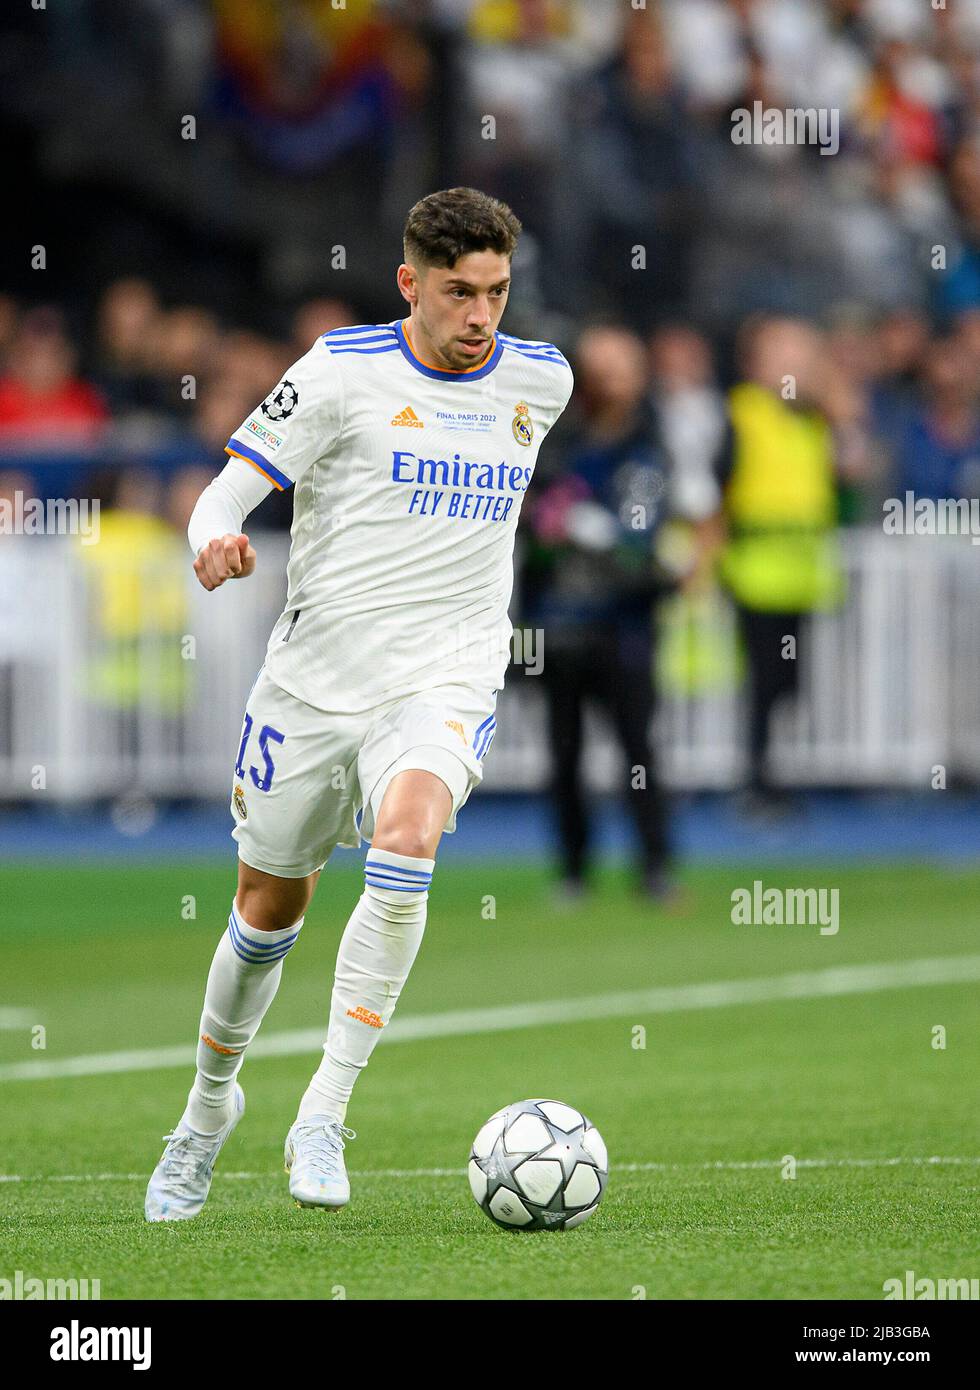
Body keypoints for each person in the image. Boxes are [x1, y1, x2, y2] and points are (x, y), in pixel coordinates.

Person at [144, 187, 574, 1221]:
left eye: (497, 293)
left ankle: (323, 1112)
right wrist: (212, 538)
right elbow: (226, 491)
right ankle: (206, 1113)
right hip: (314, 684)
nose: (481, 317)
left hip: (444, 675)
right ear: (408, 284)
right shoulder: (340, 372)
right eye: (458, 293)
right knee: (265, 912)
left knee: (409, 837)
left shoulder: (537, 379)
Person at [521, 326, 683, 901]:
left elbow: (639, 539)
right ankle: (572, 869)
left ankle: (656, 866)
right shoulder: (558, 444)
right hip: (559, 622)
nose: (608, 381)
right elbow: (529, 528)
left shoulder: (647, 449)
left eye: (620, 367)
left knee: (638, 749)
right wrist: (543, 526)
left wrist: (584, 529)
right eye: (598, 368)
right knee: (563, 754)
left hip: (624, 624)